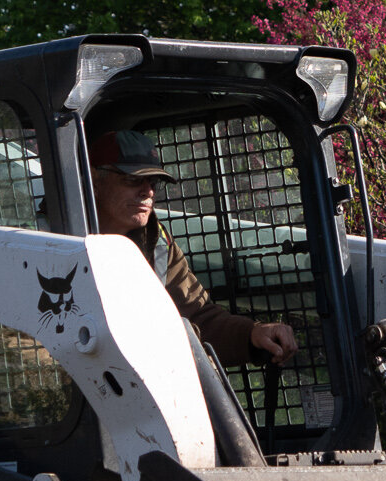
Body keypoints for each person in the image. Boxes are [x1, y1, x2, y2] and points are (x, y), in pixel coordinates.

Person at [88, 130, 300, 365]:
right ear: (94, 179)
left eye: (153, 182)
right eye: (133, 179)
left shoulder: (157, 242)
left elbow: (197, 316)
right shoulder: (51, 237)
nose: (148, 191)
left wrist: (252, 334)